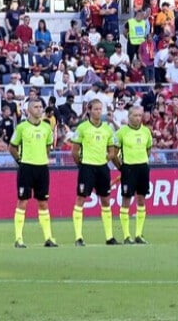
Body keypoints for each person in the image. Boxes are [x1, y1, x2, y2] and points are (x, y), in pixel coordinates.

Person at [11, 99, 57, 248]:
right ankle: (18, 238)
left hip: (42, 168)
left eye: (40, 107)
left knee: (43, 202)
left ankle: (48, 237)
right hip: (26, 168)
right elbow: (12, 147)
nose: (39, 109)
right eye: (35, 107)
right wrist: (21, 161)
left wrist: (42, 157)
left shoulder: (46, 127)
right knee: (23, 201)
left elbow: (48, 146)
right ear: (29, 110)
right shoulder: (22, 127)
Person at [72, 99, 117, 246]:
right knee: (81, 199)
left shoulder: (107, 129)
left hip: (102, 168)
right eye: (96, 109)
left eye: (100, 109)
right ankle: (78, 237)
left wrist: (105, 159)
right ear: (89, 110)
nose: (98, 111)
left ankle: (109, 236)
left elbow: (112, 151)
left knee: (105, 200)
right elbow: (75, 150)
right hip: (87, 167)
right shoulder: (82, 128)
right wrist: (81, 164)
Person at [115, 108, 155, 244]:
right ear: (129, 116)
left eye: (140, 115)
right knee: (126, 200)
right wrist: (122, 167)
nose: (138, 118)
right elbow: (114, 153)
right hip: (128, 168)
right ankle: (126, 236)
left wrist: (142, 160)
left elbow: (148, 149)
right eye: (135, 115)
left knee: (142, 199)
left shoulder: (146, 131)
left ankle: (138, 234)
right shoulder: (122, 132)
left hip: (143, 167)